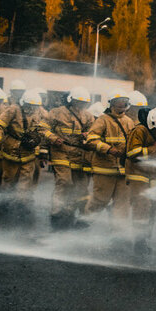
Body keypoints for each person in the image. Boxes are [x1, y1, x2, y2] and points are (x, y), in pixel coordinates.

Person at [0, 90, 48, 213]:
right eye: (29, 106)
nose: (32, 109)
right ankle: (4, 202)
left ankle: (22, 203)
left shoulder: (39, 113)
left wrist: (43, 150)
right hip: (11, 149)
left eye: (34, 106)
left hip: (29, 151)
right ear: (23, 103)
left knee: (26, 179)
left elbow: (43, 130)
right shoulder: (13, 110)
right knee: (9, 179)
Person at [125, 106, 156, 253]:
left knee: (152, 208)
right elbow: (132, 152)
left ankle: (145, 238)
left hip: (153, 175)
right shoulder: (139, 131)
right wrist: (152, 149)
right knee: (142, 206)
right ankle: (138, 241)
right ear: (152, 125)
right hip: (137, 173)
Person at [46, 86, 94, 229]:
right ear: (70, 100)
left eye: (83, 103)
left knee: (80, 186)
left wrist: (89, 136)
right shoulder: (56, 113)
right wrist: (53, 138)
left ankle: (72, 211)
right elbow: (42, 128)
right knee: (64, 181)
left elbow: (93, 134)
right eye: (78, 102)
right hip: (61, 151)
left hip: (79, 154)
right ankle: (56, 211)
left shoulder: (89, 116)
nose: (81, 105)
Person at [84, 90, 136, 219]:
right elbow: (91, 140)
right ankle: (84, 223)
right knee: (100, 200)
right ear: (111, 104)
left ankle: (118, 231)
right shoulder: (103, 120)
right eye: (119, 102)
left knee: (122, 204)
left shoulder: (129, 121)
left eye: (125, 102)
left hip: (123, 171)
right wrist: (108, 149)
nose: (122, 104)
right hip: (104, 169)